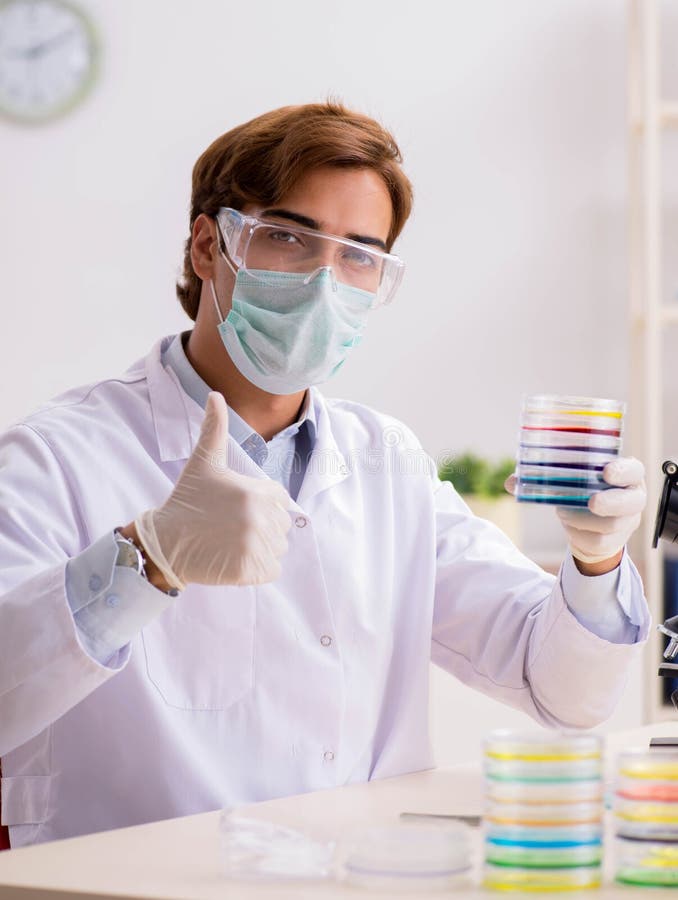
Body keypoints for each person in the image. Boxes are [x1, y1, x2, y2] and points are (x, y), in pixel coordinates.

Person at [0, 102, 648, 848]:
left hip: (354, 879)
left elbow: (563, 691)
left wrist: (596, 560)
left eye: (359, 255)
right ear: (209, 247)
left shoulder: (386, 463)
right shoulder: (57, 456)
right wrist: (148, 558)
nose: (323, 279)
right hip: (135, 888)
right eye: (286, 237)